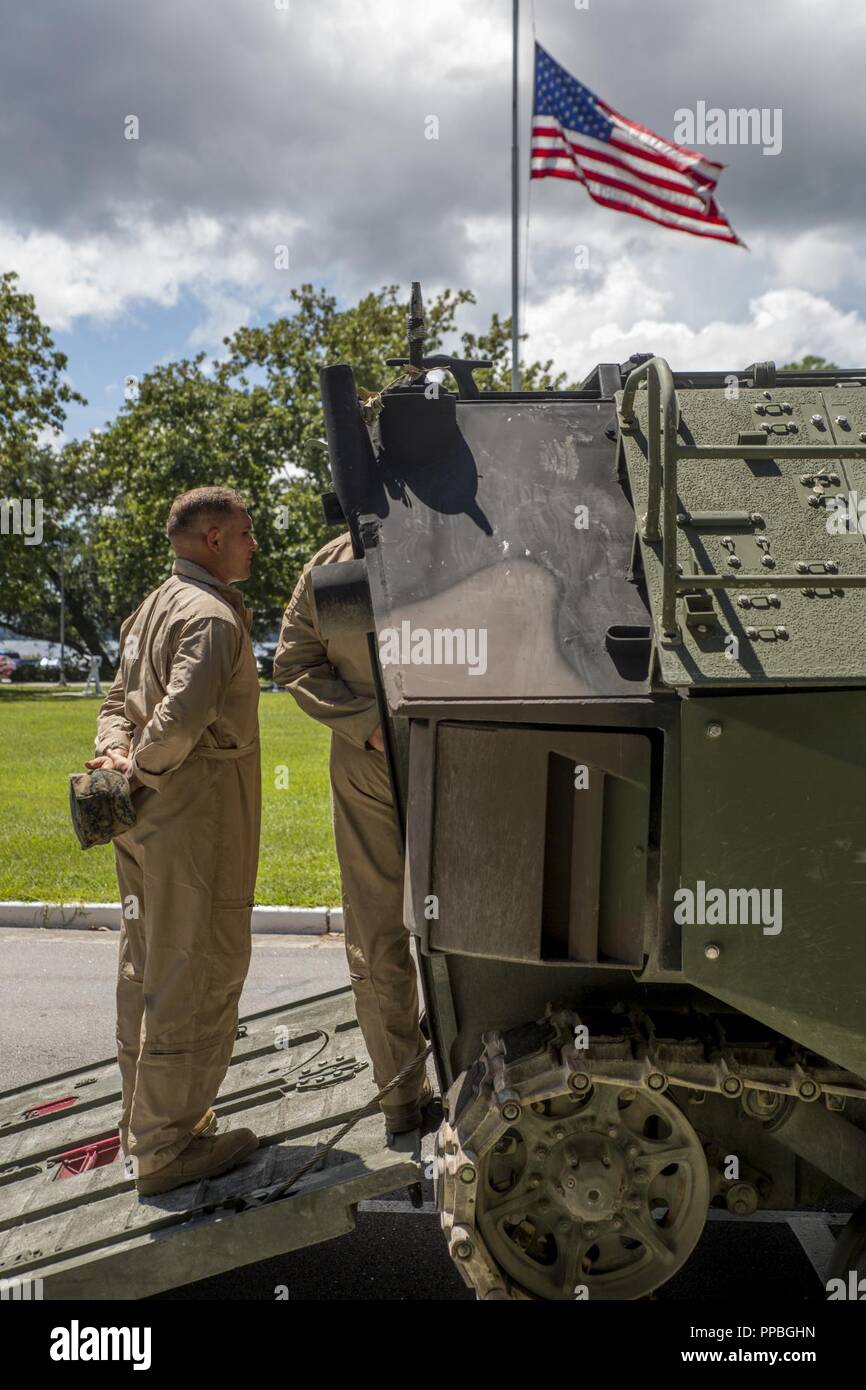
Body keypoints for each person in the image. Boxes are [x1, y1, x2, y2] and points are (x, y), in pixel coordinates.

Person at [88, 486, 261, 1196]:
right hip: (195, 815)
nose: (256, 545)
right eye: (247, 533)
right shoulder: (209, 616)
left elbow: (113, 704)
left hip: (147, 816)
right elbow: (182, 720)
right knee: (197, 971)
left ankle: (150, 1124)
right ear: (214, 538)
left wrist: (116, 760)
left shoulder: (150, 607)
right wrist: (140, 770)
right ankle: (166, 1149)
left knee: (147, 964)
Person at [273, 531, 431, 1136]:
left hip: (384, 749)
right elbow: (294, 661)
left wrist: (365, 725)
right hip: (392, 754)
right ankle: (410, 1097)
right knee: (381, 929)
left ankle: (406, 1102)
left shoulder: (335, 559)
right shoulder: (335, 562)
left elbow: (294, 660)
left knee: (380, 929)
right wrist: (371, 726)